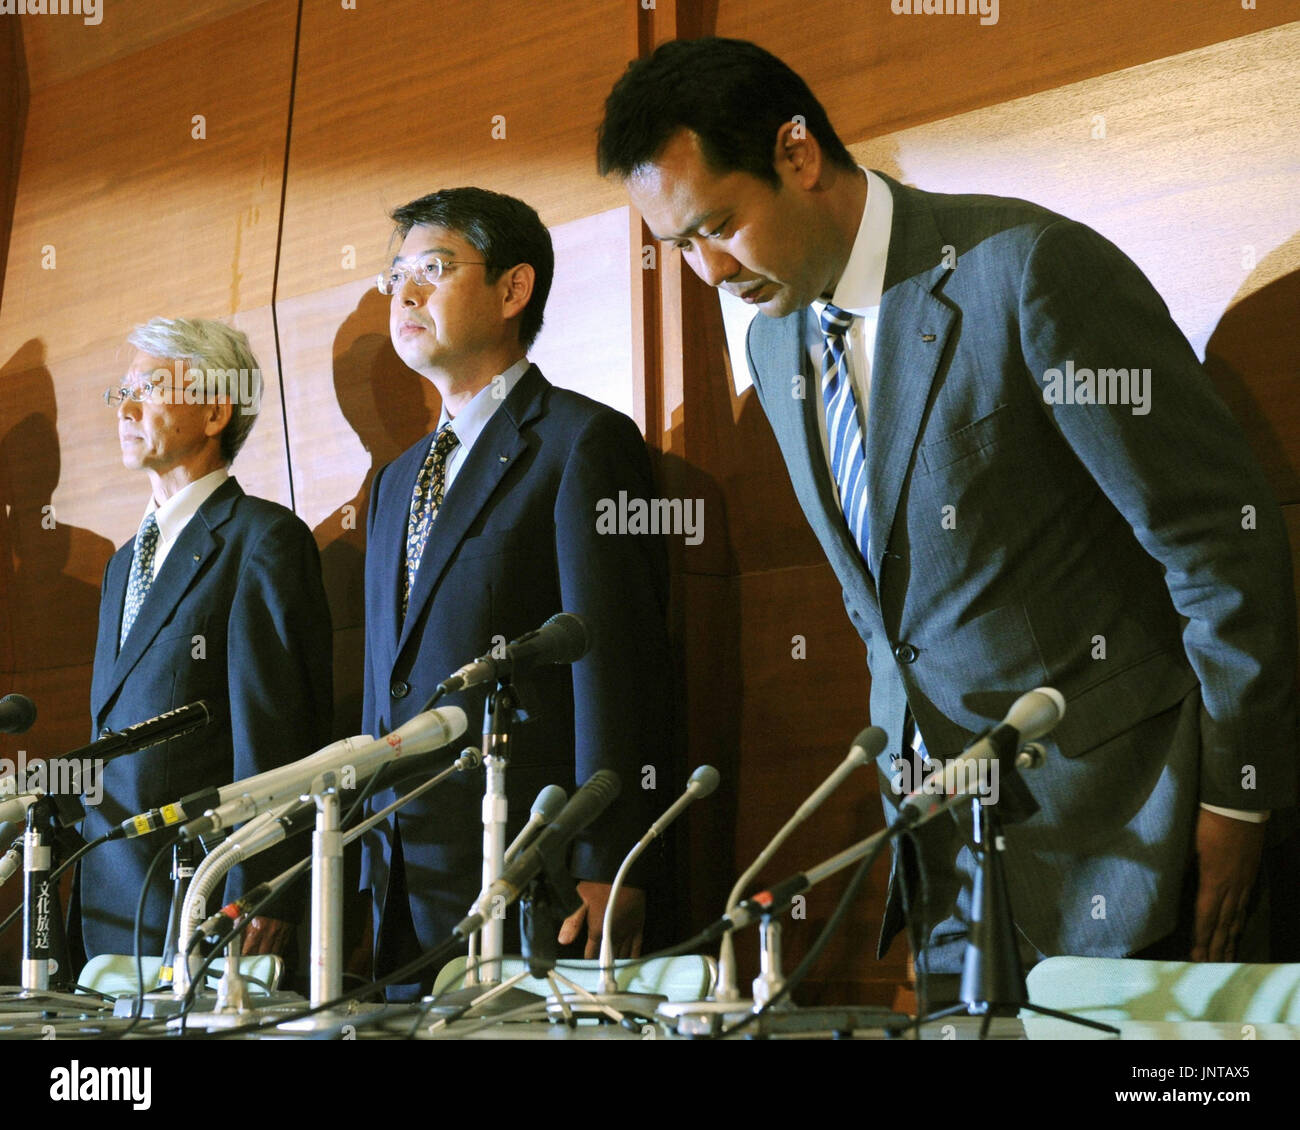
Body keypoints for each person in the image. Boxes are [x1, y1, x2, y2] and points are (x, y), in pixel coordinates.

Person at [597, 37, 1296, 979]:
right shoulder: (772, 351)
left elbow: (1218, 544)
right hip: (951, 874)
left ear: (797, 155)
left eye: (718, 225)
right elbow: (884, 610)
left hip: (1141, 836)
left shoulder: (1027, 271)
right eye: (681, 247)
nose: (710, 273)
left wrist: (1239, 798)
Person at [360, 187, 672, 994]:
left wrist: (611, 857)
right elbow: (386, 681)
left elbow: (615, 662)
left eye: (432, 269)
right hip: (402, 875)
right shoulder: (394, 483)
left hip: (538, 873)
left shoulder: (580, 442)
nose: (405, 293)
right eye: (396, 275)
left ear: (512, 289)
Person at [78, 317, 333, 962]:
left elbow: (276, 735)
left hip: (209, 898)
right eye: (121, 393)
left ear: (215, 411)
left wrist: (263, 886)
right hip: (114, 901)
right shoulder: (120, 564)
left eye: (149, 389)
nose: (126, 408)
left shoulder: (261, 541)